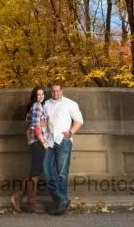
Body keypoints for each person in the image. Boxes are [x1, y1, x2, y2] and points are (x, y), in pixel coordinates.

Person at [10, 86, 54, 214]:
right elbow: (35, 126)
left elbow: (38, 122)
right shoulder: (37, 106)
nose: (40, 96)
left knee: (36, 170)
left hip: (37, 141)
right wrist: (43, 141)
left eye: (42, 94)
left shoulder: (40, 106)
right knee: (36, 170)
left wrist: (44, 124)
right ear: (34, 96)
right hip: (37, 141)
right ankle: (31, 201)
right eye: (37, 95)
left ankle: (18, 197)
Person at [43, 83, 83, 215]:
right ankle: (62, 200)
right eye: (53, 91)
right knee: (47, 170)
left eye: (57, 91)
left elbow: (79, 120)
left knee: (61, 172)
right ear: (50, 92)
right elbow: (43, 121)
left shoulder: (70, 103)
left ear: (62, 91)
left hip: (63, 141)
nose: (55, 94)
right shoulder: (46, 104)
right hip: (49, 142)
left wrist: (70, 132)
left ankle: (60, 203)